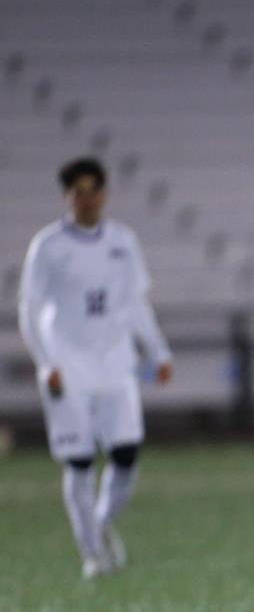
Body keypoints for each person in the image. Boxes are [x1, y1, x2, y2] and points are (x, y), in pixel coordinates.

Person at [19, 156, 173, 579]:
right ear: (67, 197)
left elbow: (135, 303)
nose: (87, 200)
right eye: (78, 192)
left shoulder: (123, 241)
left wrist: (158, 352)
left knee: (126, 455)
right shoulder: (48, 246)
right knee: (79, 461)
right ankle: (92, 553)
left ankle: (102, 523)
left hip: (115, 364)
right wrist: (45, 361)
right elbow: (30, 310)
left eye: (93, 191)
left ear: (105, 193)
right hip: (67, 368)